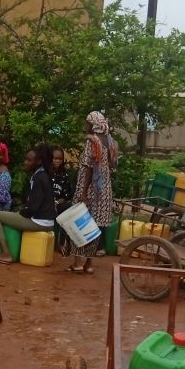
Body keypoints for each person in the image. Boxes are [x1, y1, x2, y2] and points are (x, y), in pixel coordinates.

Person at [67, 111, 119, 275]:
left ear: (93, 124)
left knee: (79, 223)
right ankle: (88, 264)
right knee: (95, 227)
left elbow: (89, 167)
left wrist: (83, 192)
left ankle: (77, 262)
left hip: (89, 188)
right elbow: (112, 166)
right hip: (104, 190)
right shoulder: (111, 142)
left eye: (87, 123)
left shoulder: (92, 141)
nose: (85, 126)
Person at [0, 142, 57, 263]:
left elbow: (32, 208)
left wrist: (20, 213)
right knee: (12, 214)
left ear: (38, 161)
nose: (25, 162)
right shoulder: (43, 174)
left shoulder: (38, 178)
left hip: (39, 222)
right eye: (25, 159)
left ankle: (6, 254)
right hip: (47, 221)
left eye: (29, 160)